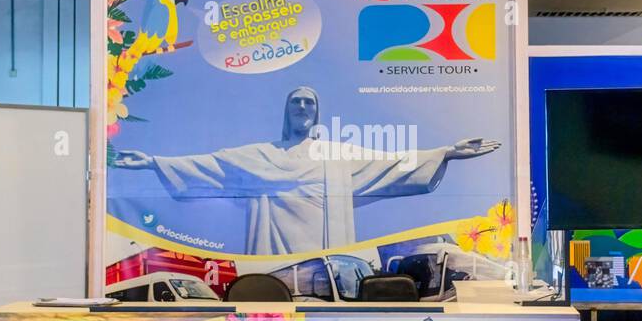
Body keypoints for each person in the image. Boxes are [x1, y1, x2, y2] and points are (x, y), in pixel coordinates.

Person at [112, 86, 499, 255]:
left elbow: (390, 162)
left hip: (324, 250)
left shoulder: (336, 154)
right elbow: (214, 164)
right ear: (287, 111)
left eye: (308, 103)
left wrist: (446, 152)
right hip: (273, 253)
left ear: (316, 113)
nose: (301, 107)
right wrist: (152, 162)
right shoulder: (262, 154)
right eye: (295, 102)